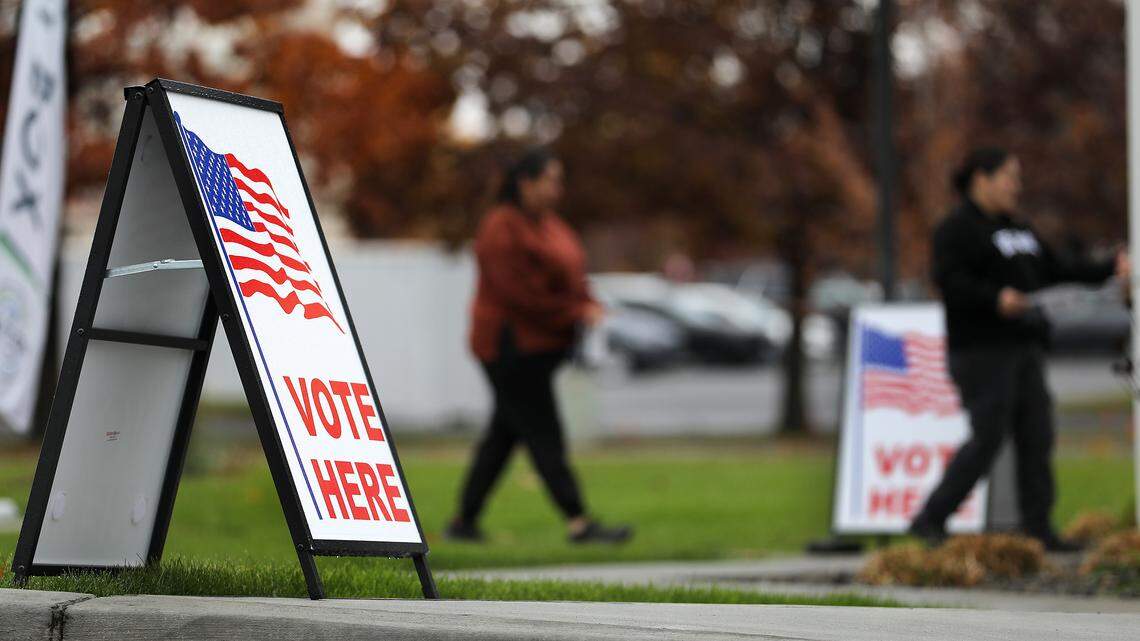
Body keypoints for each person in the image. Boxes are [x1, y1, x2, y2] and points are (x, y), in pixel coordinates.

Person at [908, 147, 1129, 551]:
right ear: (981, 179)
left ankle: (1037, 529)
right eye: (1009, 176)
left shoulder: (1020, 229)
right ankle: (931, 519)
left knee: (1037, 435)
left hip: (1024, 347)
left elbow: (1058, 269)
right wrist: (995, 298)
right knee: (988, 437)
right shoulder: (956, 229)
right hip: (981, 351)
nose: (1016, 186)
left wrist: (1109, 267)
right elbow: (950, 282)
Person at [445, 149, 633, 544]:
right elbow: (519, 296)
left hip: (542, 347)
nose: (557, 189)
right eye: (550, 180)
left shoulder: (550, 225)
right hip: (510, 349)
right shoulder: (501, 227)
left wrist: (589, 303)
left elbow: (574, 275)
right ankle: (578, 521)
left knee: (504, 434)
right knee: (543, 432)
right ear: (525, 183)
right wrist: (577, 311)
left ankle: (463, 522)